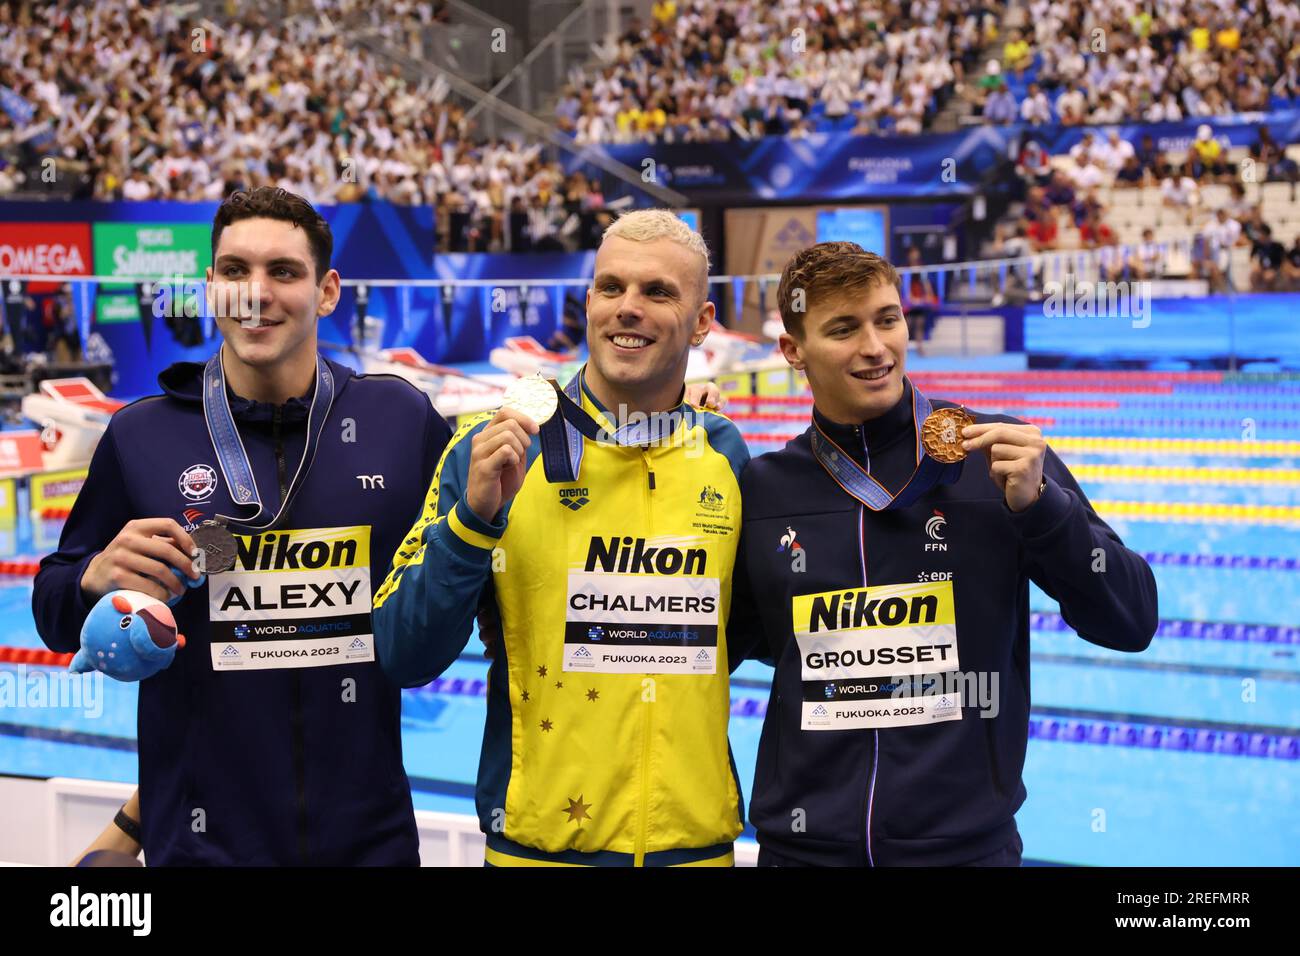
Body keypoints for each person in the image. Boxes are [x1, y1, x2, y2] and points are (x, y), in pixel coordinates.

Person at [32, 187, 452, 865]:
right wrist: (91, 577)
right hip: (202, 852)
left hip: (368, 848)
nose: (254, 293)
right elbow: (51, 611)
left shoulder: (398, 422)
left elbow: (479, 571)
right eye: (234, 272)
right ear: (210, 286)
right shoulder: (143, 436)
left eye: (283, 272)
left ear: (327, 291)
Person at [730, 242, 1158, 866]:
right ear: (793, 350)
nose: (875, 347)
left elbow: (1132, 620)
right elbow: (717, 647)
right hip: (803, 852)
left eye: (887, 319)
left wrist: (1042, 512)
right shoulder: (768, 488)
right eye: (843, 329)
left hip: (964, 852)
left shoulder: (996, 459)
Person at [372, 210, 751, 867]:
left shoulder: (724, 453)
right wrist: (473, 526)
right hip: (536, 850)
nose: (628, 308)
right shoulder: (487, 450)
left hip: (694, 850)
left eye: (658, 292)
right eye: (611, 288)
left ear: (702, 322)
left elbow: (747, 632)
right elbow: (401, 654)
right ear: (588, 304)